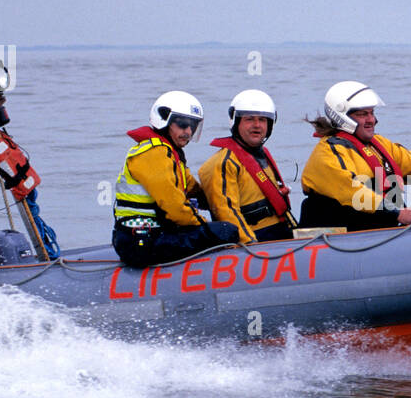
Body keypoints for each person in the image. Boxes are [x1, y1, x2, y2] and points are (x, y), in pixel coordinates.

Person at [111, 91, 239, 267]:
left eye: (192, 126)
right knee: (226, 231)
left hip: (144, 237)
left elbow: (196, 191)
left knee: (220, 228)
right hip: (141, 244)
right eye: (182, 124)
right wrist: (206, 226)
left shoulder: (169, 154)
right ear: (164, 120)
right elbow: (176, 209)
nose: (187, 131)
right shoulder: (154, 154)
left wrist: (229, 202)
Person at [300, 81, 411, 231]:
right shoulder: (328, 153)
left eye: (372, 113)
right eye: (363, 114)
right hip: (343, 234)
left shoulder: (377, 143)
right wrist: (398, 213)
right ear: (341, 116)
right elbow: (353, 191)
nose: (372, 120)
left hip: (379, 227)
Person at [198, 89, 295, 243]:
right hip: (255, 238)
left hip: (280, 231)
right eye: (250, 119)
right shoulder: (224, 163)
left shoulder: (262, 154)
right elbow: (227, 213)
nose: (257, 125)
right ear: (237, 122)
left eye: (262, 120)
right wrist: (251, 245)